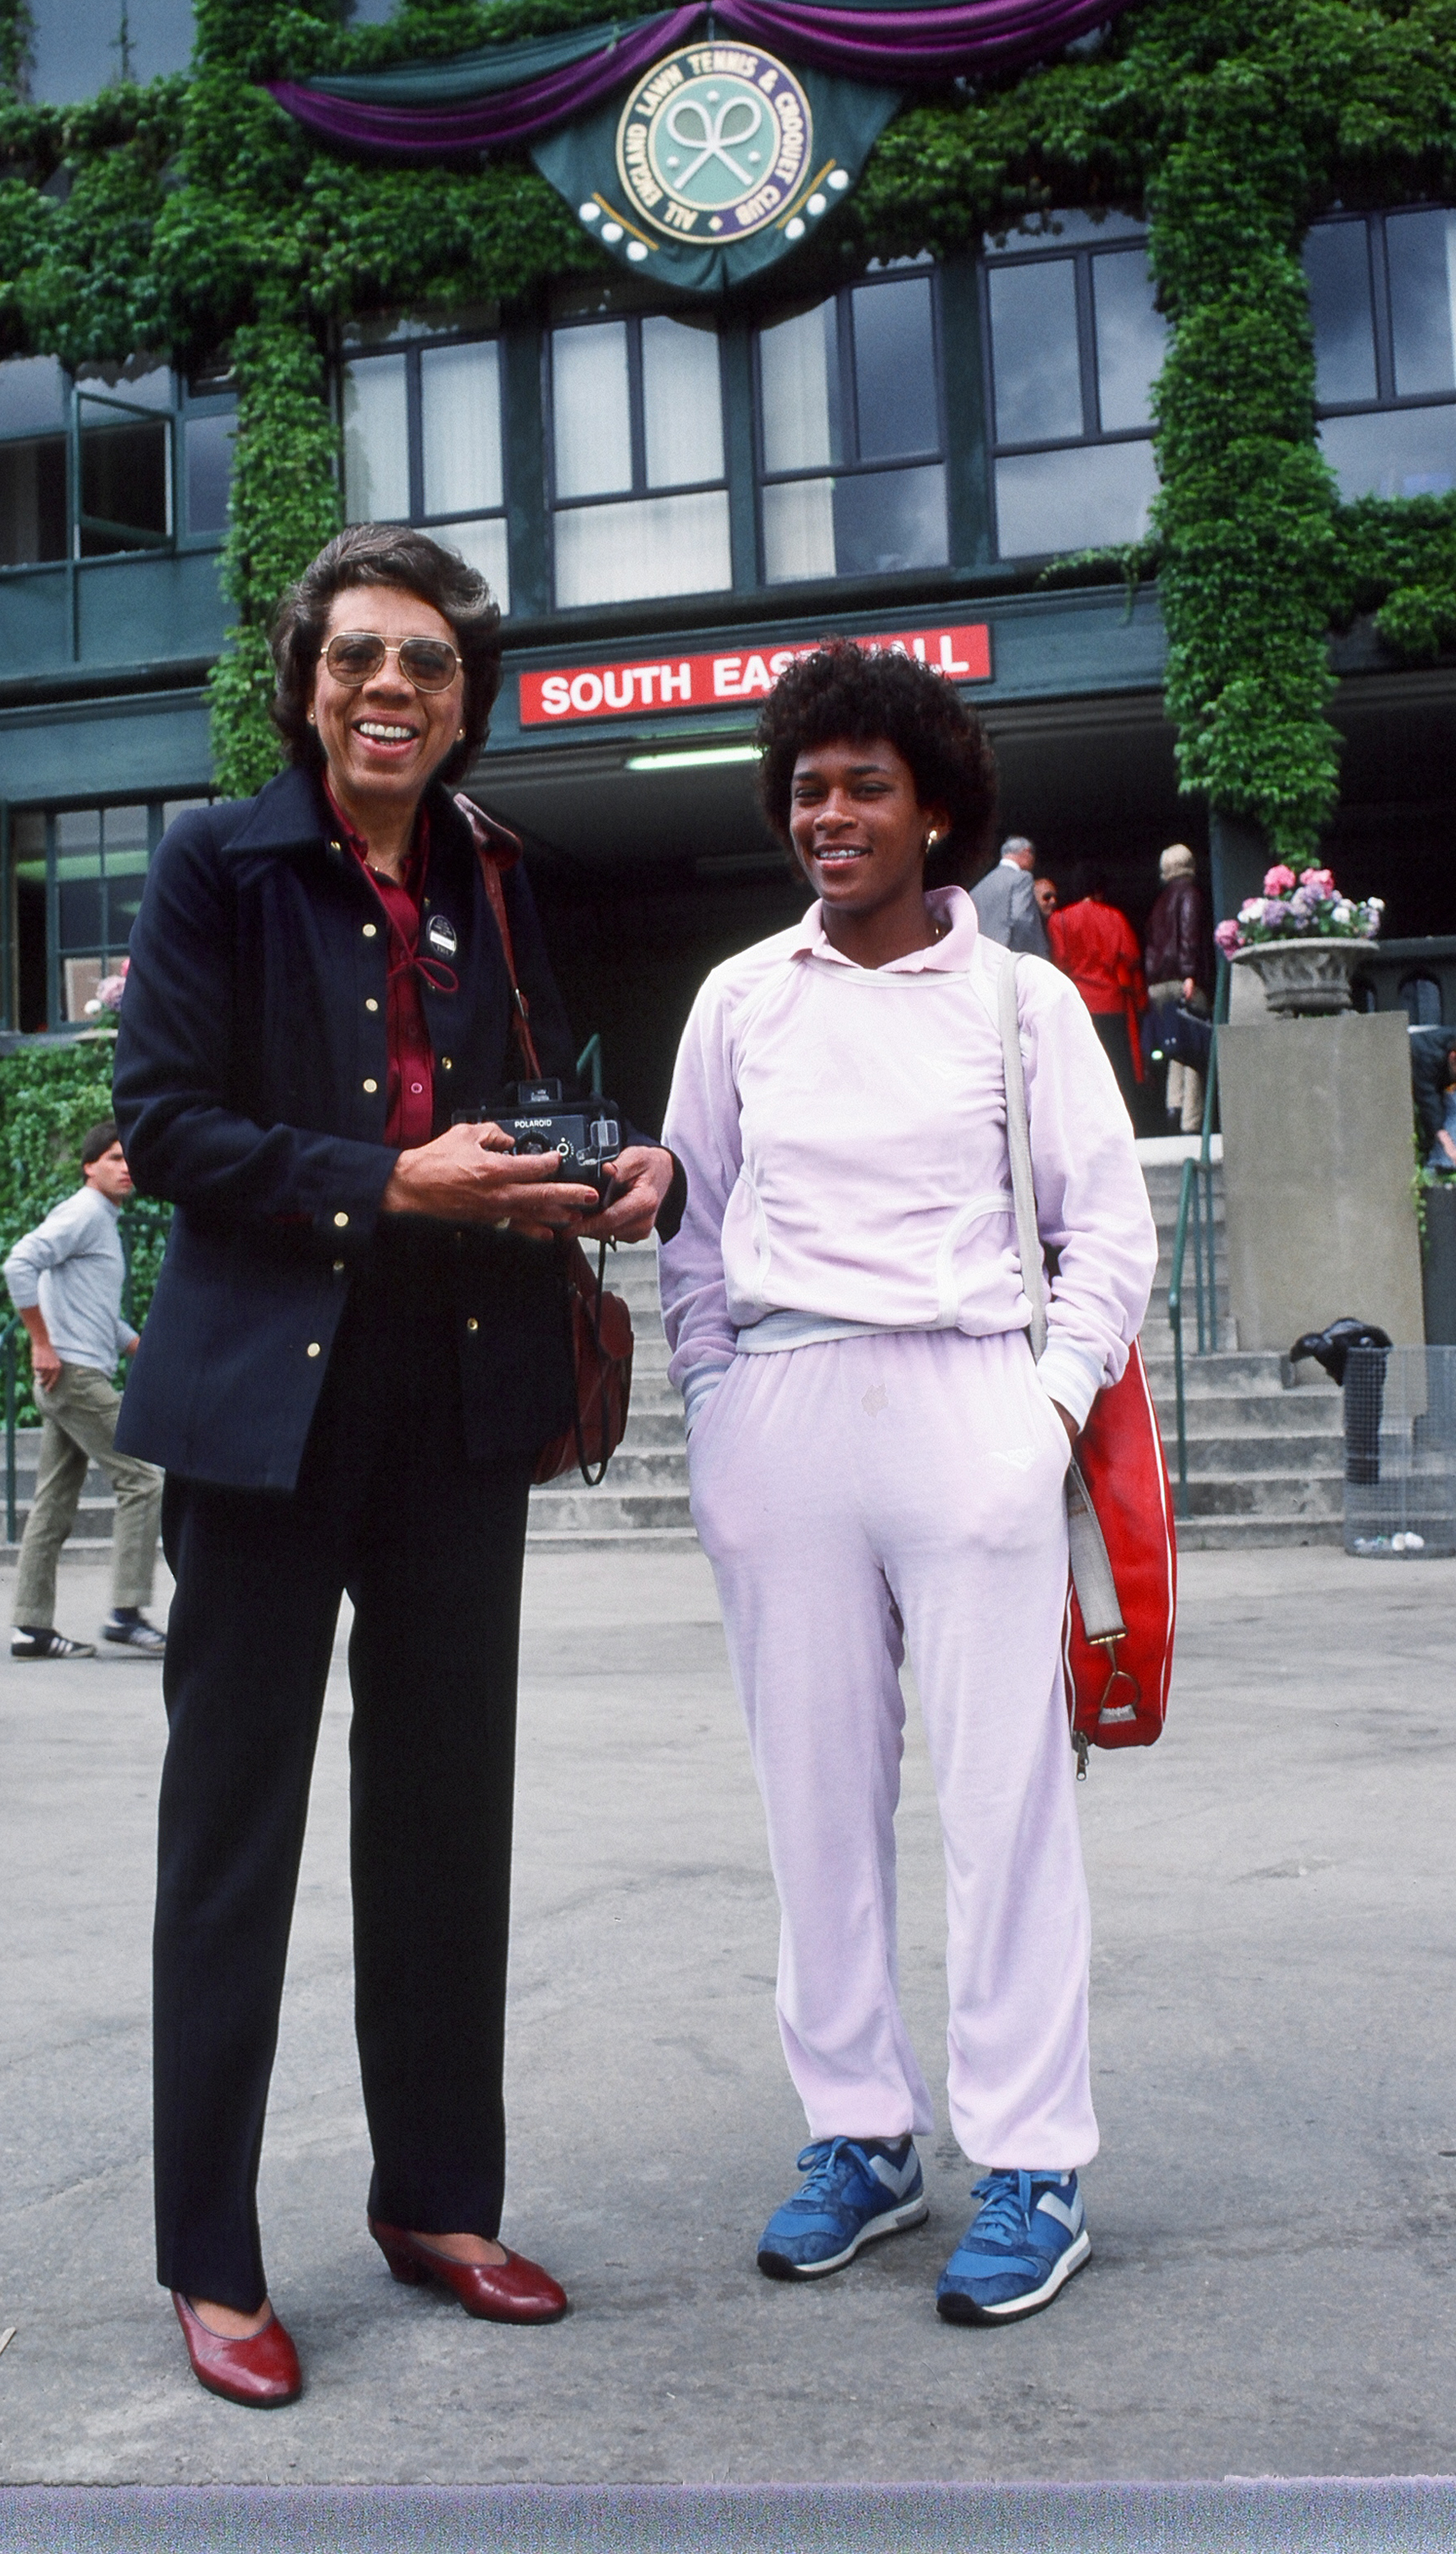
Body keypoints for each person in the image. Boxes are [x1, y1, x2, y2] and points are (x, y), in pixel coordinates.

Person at [112, 522, 681, 2410]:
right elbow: (168, 1127)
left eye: (427, 666)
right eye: (359, 656)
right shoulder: (219, 862)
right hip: (269, 1411)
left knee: (447, 1819)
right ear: (307, 680)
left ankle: (437, 2202)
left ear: (464, 702)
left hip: (461, 1396)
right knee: (235, 1839)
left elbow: (513, 1094)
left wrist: (599, 1174)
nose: (390, 690)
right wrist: (388, 1181)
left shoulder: (498, 876)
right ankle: (210, 2255)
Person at [658, 642, 1157, 2327]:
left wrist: (1044, 1407)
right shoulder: (740, 998)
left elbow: (1112, 1232)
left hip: (973, 1400)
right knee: (816, 1799)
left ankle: (1032, 2162)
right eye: (807, 787)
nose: (831, 813)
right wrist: (716, 1408)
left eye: (866, 784)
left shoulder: (1021, 998)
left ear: (935, 808)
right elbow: (694, 1233)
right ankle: (861, 2136)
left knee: (1005, 1800)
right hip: (784, 1409)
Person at [4, 1118, 165, 1660]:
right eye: (115, 1159)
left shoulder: (102, 1219)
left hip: (76, 1369)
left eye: (130, 1161)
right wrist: (40, 1343)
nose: (127, 1169)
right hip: (72, 1375)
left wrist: (145, 1348)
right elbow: (20, 1262)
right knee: (143, 1477)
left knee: (52, 1503)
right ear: (89, 1166)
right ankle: (126, 1613)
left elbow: (99, 1315)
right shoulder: (82, 1212)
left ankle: (30, 1627)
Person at [1045, 864, 1148, 1116]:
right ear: (1100, 890)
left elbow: (1059, 962)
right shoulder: (1115, 917)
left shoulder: (1059, 920)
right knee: (1116, 1069)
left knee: (1081, 1071)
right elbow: (1132, 956)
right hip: (1113, 1004)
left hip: (1079, 1005)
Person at [1142, 842, 1212, 1135]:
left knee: (1175, 1047)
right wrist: (1189, 974)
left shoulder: (1158, 902)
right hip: (1184, 979)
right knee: (1194, 1047)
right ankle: (1191, 1122)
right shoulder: (1190, 895)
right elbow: (1189, 934)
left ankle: (1174, 1107)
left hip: (1158, 983)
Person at [970, 835, 1050, 956]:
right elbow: (1022, 919)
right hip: (1008, 957)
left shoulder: (980, 886)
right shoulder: (1022, 878)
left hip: (980, 956)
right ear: (1027, 852)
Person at [1410, 1028, 1456, 1168]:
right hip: (1411, 1069)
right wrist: (1448, 1145)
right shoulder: (1428, 1056)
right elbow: (1428, 1099)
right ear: (1453, 1058)